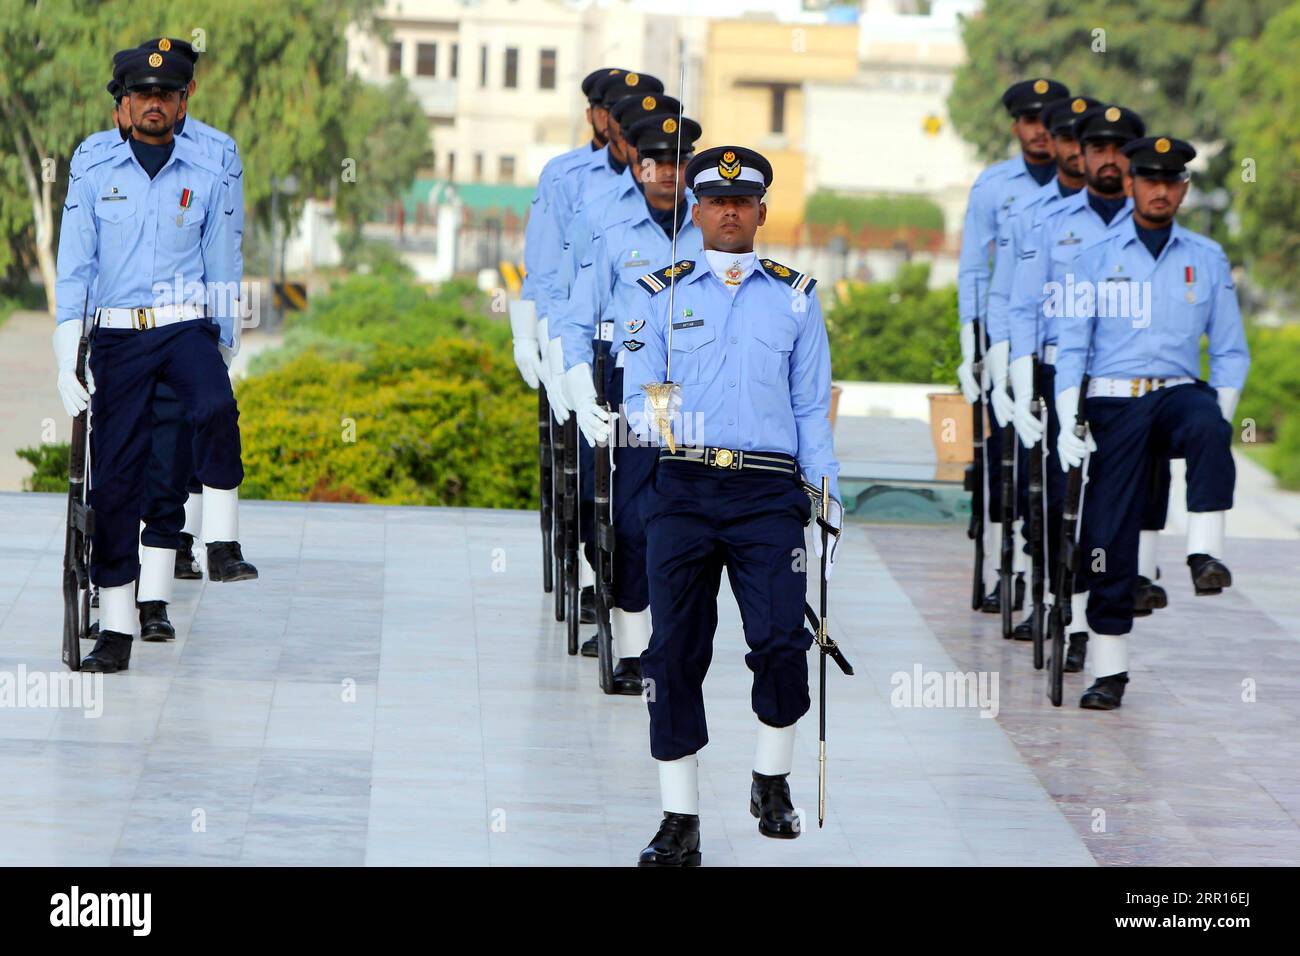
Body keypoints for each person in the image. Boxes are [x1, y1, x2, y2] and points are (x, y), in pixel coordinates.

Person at [622, 146, 840, 865]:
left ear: (760, 213)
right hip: (683, 488)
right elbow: (636, 388)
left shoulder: (798, 296)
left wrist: (827, 495)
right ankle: (678, 819)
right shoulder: (661, 291)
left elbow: (811, 409)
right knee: (672, 652)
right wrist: (668, 418)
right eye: (715, 200)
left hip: (767, 494)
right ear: (696, 209)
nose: (728, 211)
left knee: (782, 641)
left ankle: (770, 775)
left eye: (742, 202)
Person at [53, 43, 251, 673]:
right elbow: (75, 264)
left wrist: (224, 337)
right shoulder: (91, 163)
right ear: (123, 105)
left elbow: (222, 256)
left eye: (167, 96)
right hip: (117, 336)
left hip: (184, 324)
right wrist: (67, 354)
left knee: (217, 404)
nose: (154, 105)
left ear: (183, 102)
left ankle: (220, 541)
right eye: (142, 96)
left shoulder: (207, 164)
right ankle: (115, 629)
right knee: (114, 482)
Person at [1053, 136, 1249, 709]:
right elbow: (1071, 349)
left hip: (1177, 394)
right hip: (1115, 405)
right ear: (1133, 184)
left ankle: (1204, 554)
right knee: (1108, 533)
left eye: (1172, 181)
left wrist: (1220, 412)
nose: (1161, 190)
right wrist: (1069, 420)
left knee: (1205, 420)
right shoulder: (1092, 258)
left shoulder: (1207, 258)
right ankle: (1109, 671)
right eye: (1150, 179)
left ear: (1184, 189)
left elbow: (1232, 352)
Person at [554, 110, 704, 690]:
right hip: (638, 384)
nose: (667, 173)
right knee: (630, 519)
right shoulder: (609, 224)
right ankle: (636, 647)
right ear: (638, 168)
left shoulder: (708, 226)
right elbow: (576, 316)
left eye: (678, 163)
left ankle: (677, 641)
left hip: (702, 387)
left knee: (690, 517)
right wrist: (578, 388)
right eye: (655, 163)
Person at [1005, 102, 1144, 668]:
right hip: (1059, 373)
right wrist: (1017, 383)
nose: (1108, 159)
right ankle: (1057, 601)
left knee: (1107, 510)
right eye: (1098, 148)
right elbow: (1022, 309)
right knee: (1057, 499)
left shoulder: (1150, 227)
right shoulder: (1050, 224)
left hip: (1124, 384)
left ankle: (1094, 617)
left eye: (1119, 150)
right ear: (1080, 155)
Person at [957, 77, 1069, 614]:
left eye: (1049, 120)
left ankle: (1046, 568)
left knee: (1046, 466)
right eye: (1029, 120)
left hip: (1059, 344)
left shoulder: (1081, 187)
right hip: (1003, 340)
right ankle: (1010, 570)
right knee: (1007, 457)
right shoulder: (995, 186)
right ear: (1015, 126)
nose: (1039, 130)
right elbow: (976, 272)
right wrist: (970, 344)